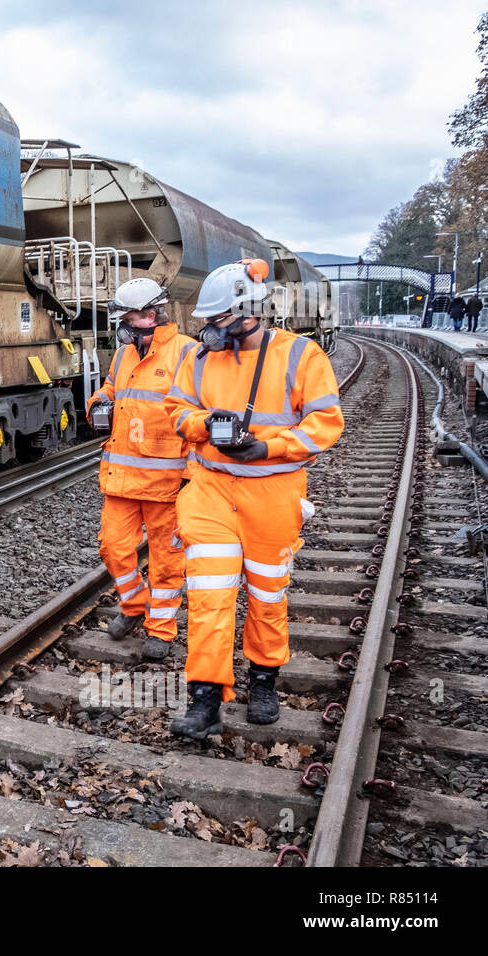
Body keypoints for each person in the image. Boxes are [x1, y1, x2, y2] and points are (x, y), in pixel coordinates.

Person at [164, 259, 344, 738]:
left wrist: (268, 447)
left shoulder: (302, 356)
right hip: (211, 490)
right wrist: (205, 426)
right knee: (208, 598)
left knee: (267, 595)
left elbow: (325, 424)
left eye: (217, 320)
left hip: (274, 493)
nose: (209, 330)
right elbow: (177, 409)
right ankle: (205, 698)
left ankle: (264, 680)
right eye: (206, 321)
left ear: (249, 312)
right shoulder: (198, 358)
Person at [86, 278, 197, 661]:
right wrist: (98, 404)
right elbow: (110, 390)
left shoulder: (187, 354)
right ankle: (134, 607)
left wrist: (192, 477)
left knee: (167, 561)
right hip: (122, 478)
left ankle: (161, 629)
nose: (122, 324)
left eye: (126, 317)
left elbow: (199, 417)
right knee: (112, 547)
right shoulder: (124, 356)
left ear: (150, 316)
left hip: (169, 483)